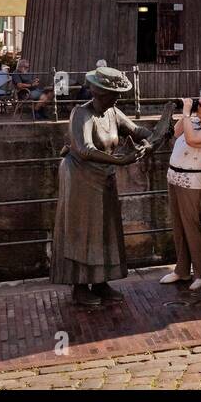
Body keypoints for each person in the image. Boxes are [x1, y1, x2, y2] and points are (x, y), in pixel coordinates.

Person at [52, 66, 170, 306]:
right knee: (83, 229)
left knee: (106, 228)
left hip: (103, 177)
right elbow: (85, 149)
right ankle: (79, 285)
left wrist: (154, 137)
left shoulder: (113, 113)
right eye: (114, 93)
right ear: (101, 92)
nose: (118, 98)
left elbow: (137, 131)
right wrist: (119, 160)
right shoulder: (81, 114)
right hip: (79, 177)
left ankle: (101, 281)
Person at [162, 89, 201, 292]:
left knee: (193, 227)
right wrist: (187, 112)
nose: (198, 108)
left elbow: (192, 140)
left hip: (194, 183)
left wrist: (187, 112)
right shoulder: (196, 121)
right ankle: (181, 270)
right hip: (175, 178)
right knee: (179, 227)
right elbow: (176, 132)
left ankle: (200, 273)